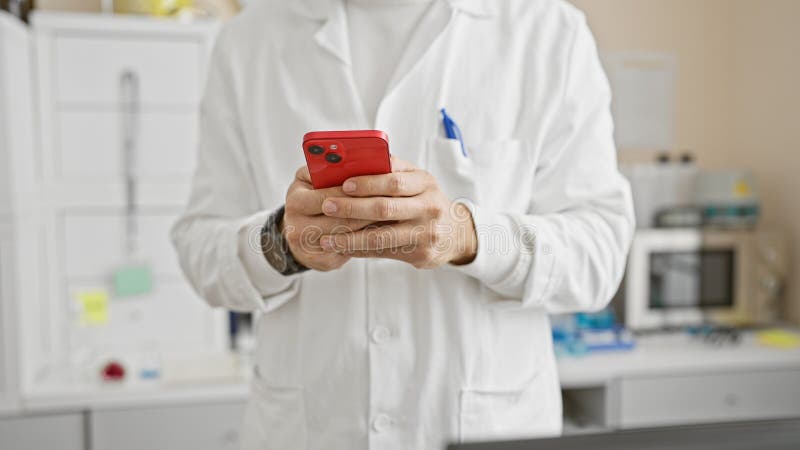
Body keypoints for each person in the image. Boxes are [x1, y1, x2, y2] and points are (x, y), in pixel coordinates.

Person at [171, 0, 635, 448]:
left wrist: (469, 236)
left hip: (483, 427)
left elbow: (600, 255)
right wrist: (283, 245)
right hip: (310, 430)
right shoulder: (249, 39)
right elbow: (199, 248)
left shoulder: (548, 32)